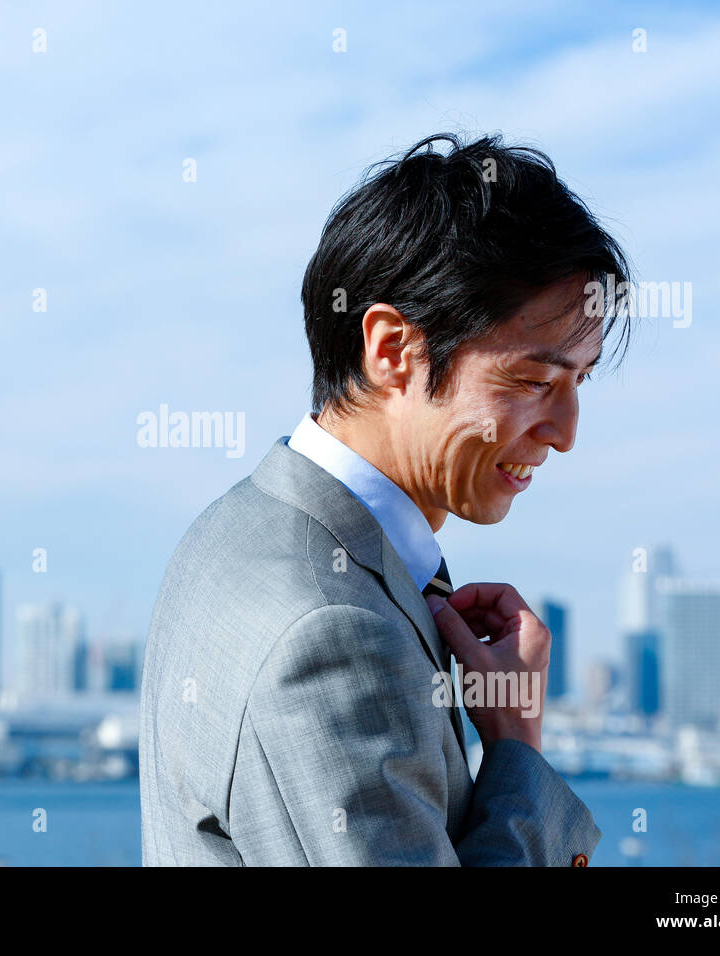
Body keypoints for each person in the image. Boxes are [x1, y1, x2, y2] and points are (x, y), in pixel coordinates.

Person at [139, 133, 634, 865]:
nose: (564, 433)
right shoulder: (332, 632)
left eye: (578, 384)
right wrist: (518, 751)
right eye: (535, 382)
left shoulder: (234, 531)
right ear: (393, 350)